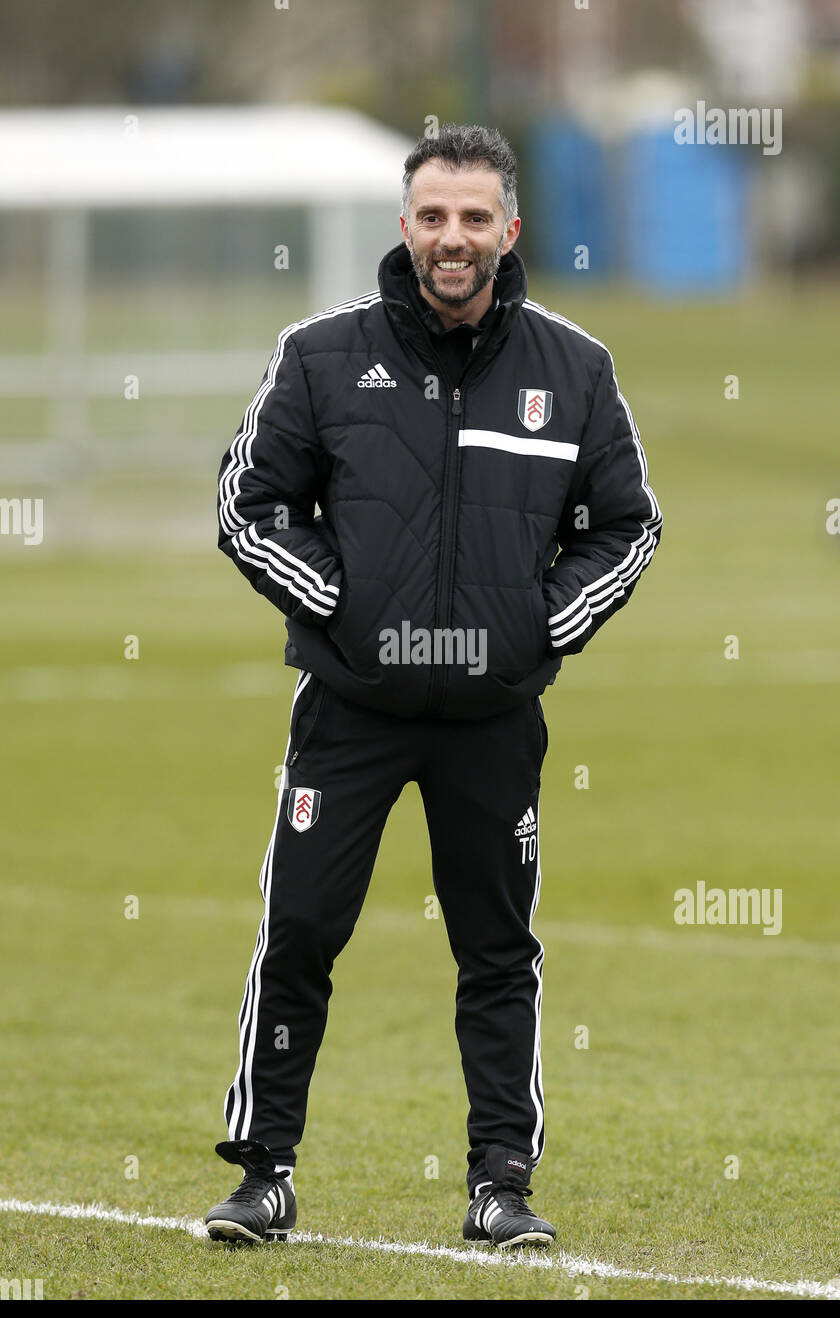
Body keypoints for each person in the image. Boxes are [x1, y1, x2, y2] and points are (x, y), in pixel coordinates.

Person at [206, 123, 662, 1251]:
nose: (449, 239)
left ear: (508, 233)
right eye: (430, 216)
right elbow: (244, 503)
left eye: (472, 219)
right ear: (403, 225)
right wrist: (336, 610)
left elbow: (628, 524)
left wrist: (534, 627)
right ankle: (263, 1171)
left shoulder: (575, 369)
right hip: (350, 714)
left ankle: (498, 1183)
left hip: (490, 719)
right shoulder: (318, 356)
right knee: (299, 928)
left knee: (496, 949)